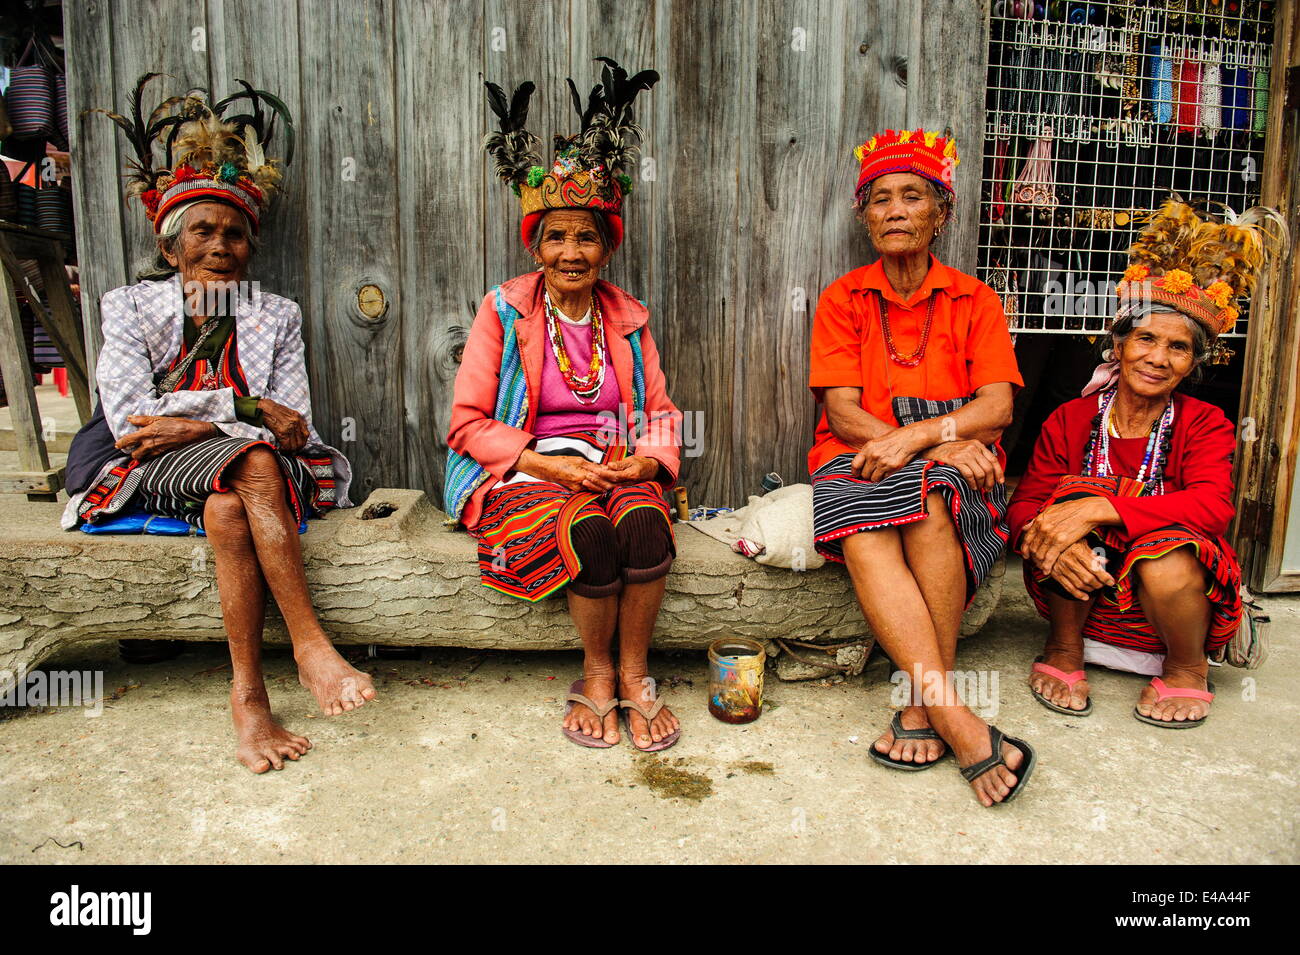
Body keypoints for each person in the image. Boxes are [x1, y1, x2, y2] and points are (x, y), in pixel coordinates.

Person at [64, 76, 374, 773]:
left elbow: (293, 425)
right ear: (172, 247)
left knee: (232, 506)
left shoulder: (277, 316)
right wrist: (237, 409)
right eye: (203, 230)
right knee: (251, 465)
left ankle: (250, 697)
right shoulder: (128, 307)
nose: (221, 244)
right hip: (137, 460)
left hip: (225, 463)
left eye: (235, 233)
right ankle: (309, 645)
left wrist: (193, 425)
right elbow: (130, 417)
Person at [446, 60, 683, 751]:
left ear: (607, 246)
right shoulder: (504, 309)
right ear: (537, 245)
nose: (570, 251)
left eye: (586, 236)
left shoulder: (629, 319)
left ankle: (637, 673)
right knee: (588, 528)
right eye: (556, 236)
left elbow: (662, 413)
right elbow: (465, 423)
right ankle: (597, 671)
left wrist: (647, 459)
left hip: (611, 461)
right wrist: (550, 466)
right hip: (525, 469)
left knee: (642, 518)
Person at [808, 129, 1033, 806]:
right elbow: (845, 413)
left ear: (943, 213)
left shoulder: (976, 300)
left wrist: (923, 442)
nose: (897, 210)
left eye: (914, 197)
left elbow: (995, 406)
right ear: (864, 216)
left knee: (933, 501)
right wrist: (932, 442)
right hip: (857, 451)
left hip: (951, 461)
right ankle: (954, 716)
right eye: (881, 199)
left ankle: (919, 698)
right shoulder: (844, 298)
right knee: (865, 524)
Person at [1009, 199, 1287, 728]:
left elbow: (1211, 506)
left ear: (1195, 363)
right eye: (1146, 339)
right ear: (1119, 344)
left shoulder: (1203, 422)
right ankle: (1065, 648)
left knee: (1161, 551)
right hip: (1085, 595)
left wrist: (1099, 509)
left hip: (1168, 602)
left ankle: (1185, 669)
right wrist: (1046, 534)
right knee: (1059, 517)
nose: (1158, 358)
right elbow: (1024, 502)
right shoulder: (1072, 417)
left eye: (1179, 348)